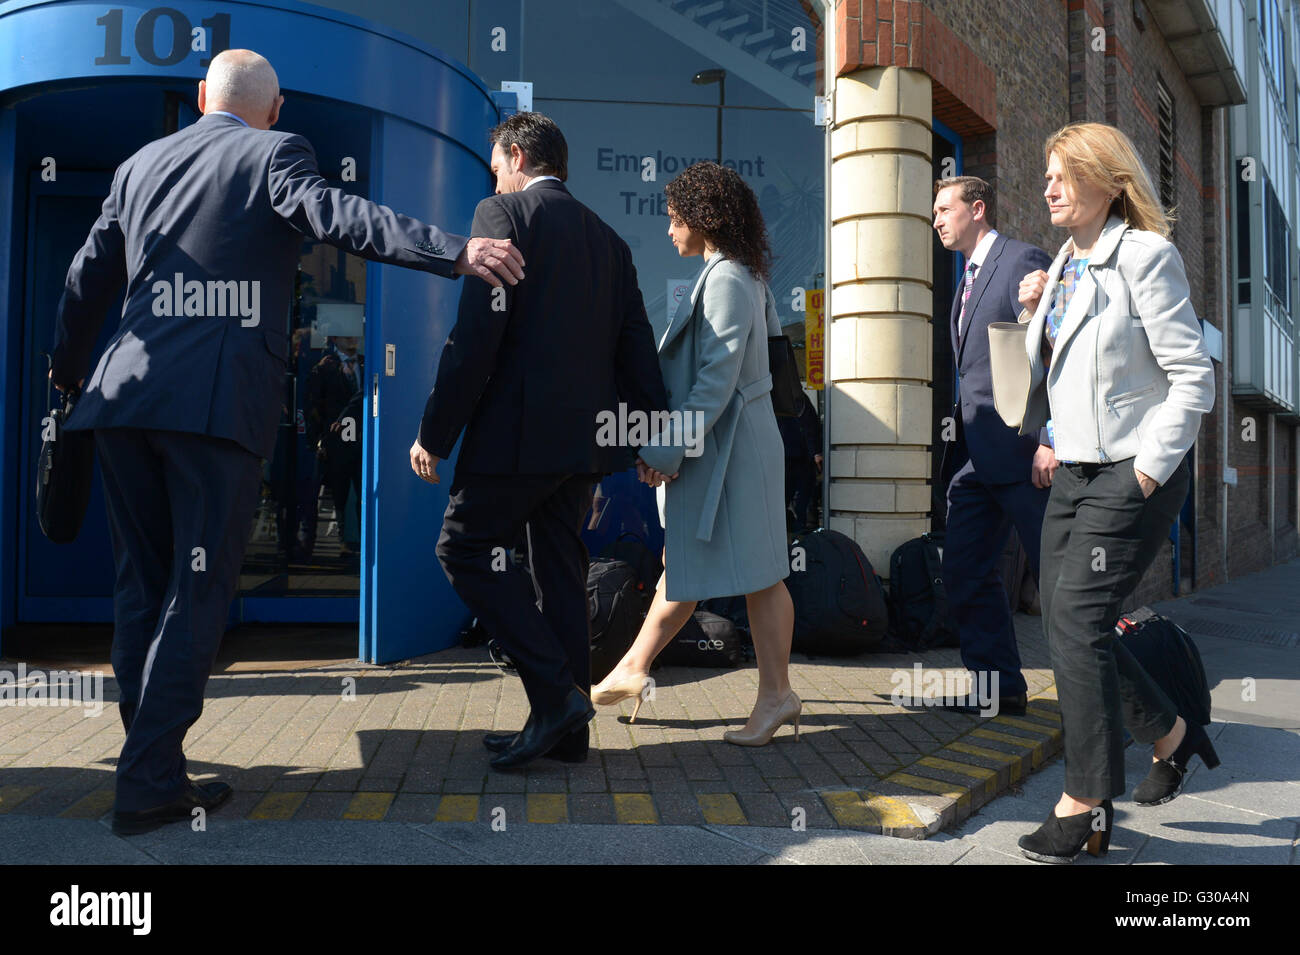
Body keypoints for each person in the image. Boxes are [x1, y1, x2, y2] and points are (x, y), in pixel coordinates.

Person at [49, 49, 525, 836]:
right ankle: (147, 782)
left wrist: (69, 373)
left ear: (204, 97)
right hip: (211, 407)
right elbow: (340, 216)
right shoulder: (276, 152)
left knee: (143, 589)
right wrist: (455, 250)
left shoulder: (138, 165)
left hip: (121, 401)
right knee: (195, 592)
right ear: (274, 110)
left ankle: (151, 764)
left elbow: (85, 276)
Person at [414, 112, 667, 771]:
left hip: (515, 438)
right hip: (583, 447)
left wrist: (436, 431)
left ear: (518, 157)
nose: (492, 176)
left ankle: (556, 696)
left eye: (495, 163)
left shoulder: (503, 216)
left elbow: (476, 338)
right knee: (560, 574)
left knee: (462, 548)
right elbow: (637, 353)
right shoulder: (611, 242)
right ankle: (568, 731)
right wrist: (649, 437)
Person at [1015, 122, 1217, 863]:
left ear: (1108, 179)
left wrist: (1144, 470)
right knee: (1071, 623)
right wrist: (1033, 314)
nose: (1049, 186)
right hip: (1073, 469)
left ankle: (1086, 803)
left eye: (1064, 173)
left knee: (1075, 613)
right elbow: (1064, 377)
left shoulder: (1146, 257)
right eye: (1046, 173)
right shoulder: (1066, 264)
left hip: (1134, 471)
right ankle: (1171, 733)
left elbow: (1195, 379)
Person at [591, 162, 797, 746]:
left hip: (735, 451)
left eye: (675, 218)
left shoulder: (727, 277)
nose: (668, 230)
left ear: (704, 220)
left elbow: (715, 382)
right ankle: (634, 666)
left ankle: (776, 696)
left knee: (760, 576)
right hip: (729, 449)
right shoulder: (731, 273)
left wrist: (664, 449)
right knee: (695, 562)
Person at [930, 176, 1054, 716]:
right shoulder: (963, 279)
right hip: (977, 459)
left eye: (943, 209)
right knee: (964, 568)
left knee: (1062, 578)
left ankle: (1118, 696)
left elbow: (1052, 345)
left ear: (976, 209)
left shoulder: (1019, 259)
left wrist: (1050, 439)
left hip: (1025, 456)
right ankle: (998, 689)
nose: (936, 219)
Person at [306, 335, 364, 556]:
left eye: (355, 332)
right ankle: (340, 541)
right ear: (335, 339)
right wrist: (317, 440)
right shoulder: (325, 367)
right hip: (336, 443)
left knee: (364, 493)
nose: (352, 338)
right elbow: (314, 405)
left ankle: (362, 541)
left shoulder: (366, 363)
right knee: (338, 492)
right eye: (345, 333)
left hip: (363, 441)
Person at [779, 390, 823, 533]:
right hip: (798, 456)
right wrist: (815, 452)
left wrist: (815, 451)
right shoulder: (800, 401)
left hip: (792, 456)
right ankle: (800, 529)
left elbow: (811, 427)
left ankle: (797, 529)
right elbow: (811, 427)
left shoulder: (779, 401)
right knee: (802, 499)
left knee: (792, 498)